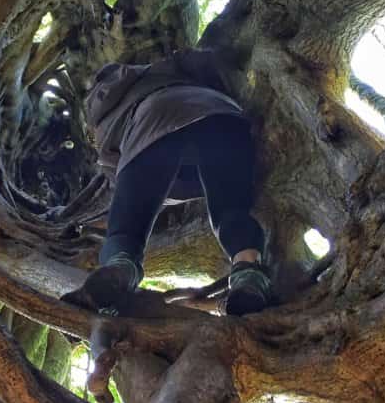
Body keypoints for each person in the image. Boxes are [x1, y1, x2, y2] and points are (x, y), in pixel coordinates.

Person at [70, 46, 273, 317]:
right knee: (230, 212)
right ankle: (248, 275)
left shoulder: (102, 114)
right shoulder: (162, 70)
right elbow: (208, 58)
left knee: (126, 230)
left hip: (152, 125)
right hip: (224, 117)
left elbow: (122, 176)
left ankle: (121, 267)